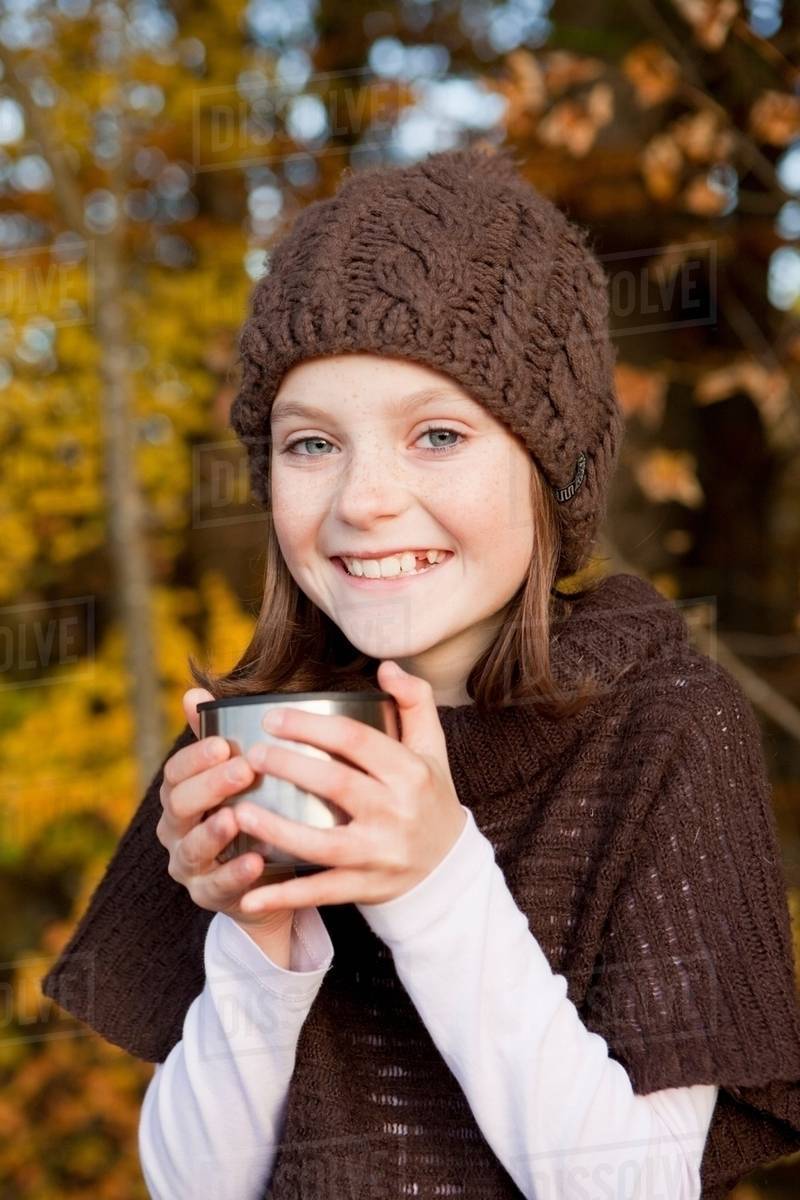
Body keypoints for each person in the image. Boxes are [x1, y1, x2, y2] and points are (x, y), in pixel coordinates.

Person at [41, 145, 800, 1200]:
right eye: (311, 446)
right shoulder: (265, 729)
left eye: (435, 434)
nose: (362, 499)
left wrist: (435, 881)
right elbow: (192, 1181)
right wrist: (258, 947)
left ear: (553, 469)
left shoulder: (663, 724)